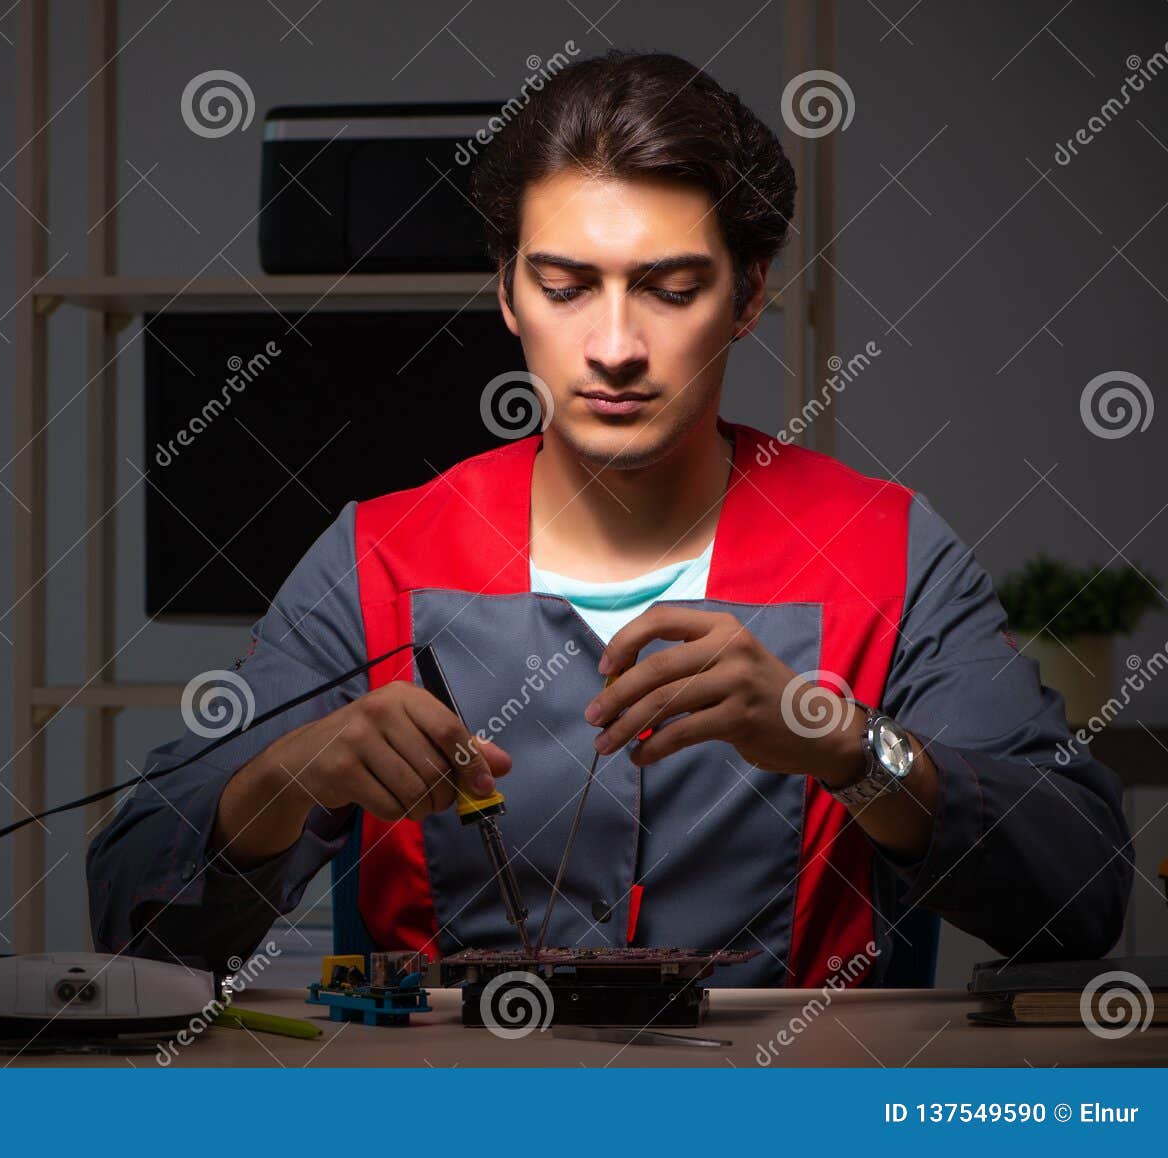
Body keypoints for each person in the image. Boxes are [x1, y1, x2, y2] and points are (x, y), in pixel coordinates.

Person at [86, 50, 1133, 988]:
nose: (616, 346)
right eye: (565, 286)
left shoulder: (884, 549)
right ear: (508, 294)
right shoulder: (378, 555)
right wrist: (287, 772)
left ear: (749, 292)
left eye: (671, 288)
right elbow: (133, 916)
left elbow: (1079, 890)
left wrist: (849, 745)